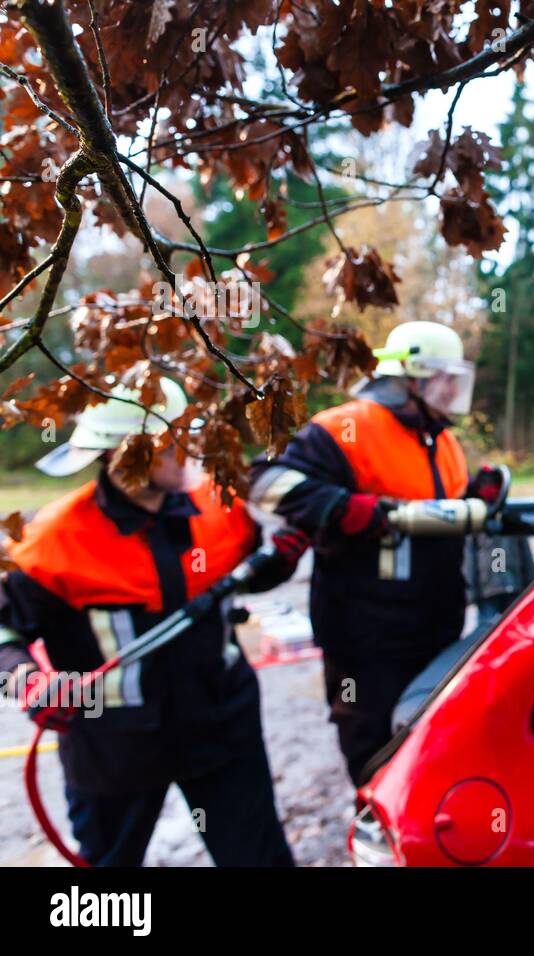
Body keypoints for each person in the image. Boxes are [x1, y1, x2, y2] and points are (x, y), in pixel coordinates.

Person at [0, 380, 303, 866]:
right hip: (114, 749)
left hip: (222, 730)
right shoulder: (53, 542)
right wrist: (27, 680)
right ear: (128, 454)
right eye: (173, 442)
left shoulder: (219, 508)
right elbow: (4, 633)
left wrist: (280, 563)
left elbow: (245, 578)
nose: (190, 453)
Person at [250, 320, 494, 786]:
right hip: (364, 636)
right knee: (373, 746)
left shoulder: (443, 442)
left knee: (428, 739)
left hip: (435, 626)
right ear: (409, 377)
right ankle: (375, 839)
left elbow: (445, 513)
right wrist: (342, 508)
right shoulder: (345, 427)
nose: (451, 390)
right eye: (442, 378)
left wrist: (478, 501)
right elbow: (265, 483)